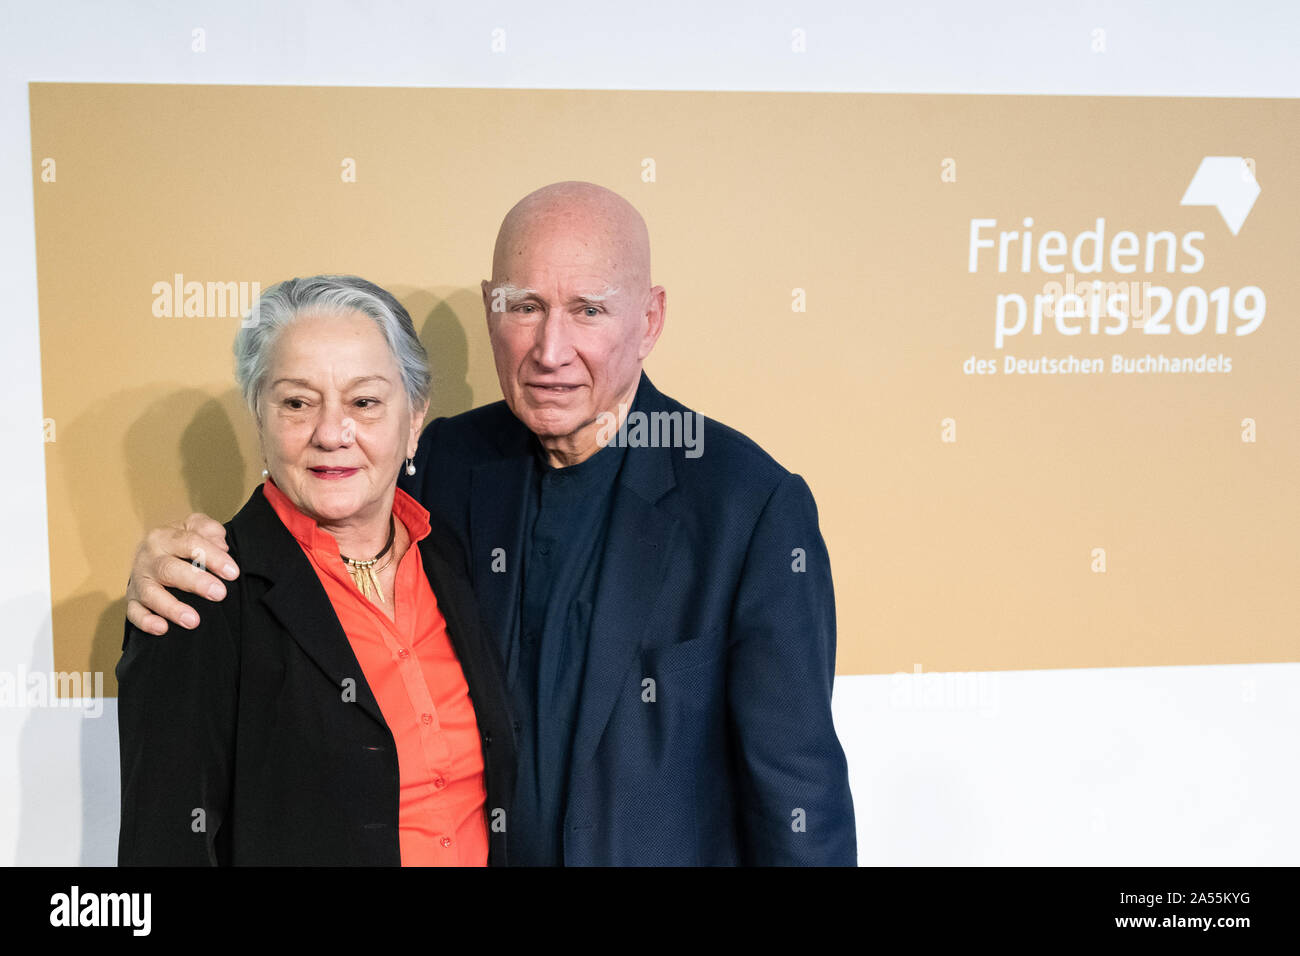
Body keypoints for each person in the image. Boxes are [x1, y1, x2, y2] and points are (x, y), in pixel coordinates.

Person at [126, 182, 857, 865]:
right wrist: (165, 563)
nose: (550, 351)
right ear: (489, 309)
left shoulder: (747, 505)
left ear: (650, 319)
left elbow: (797, 790)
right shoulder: (440, 464)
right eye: (524, 306)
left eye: (589, 310)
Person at [117, 275, 514, 866]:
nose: (332, 433)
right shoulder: (198, 593)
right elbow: (164, 848)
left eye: (364, 402)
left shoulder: (451, 558)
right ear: (259, 416)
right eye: (297, 402)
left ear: (415, 419)